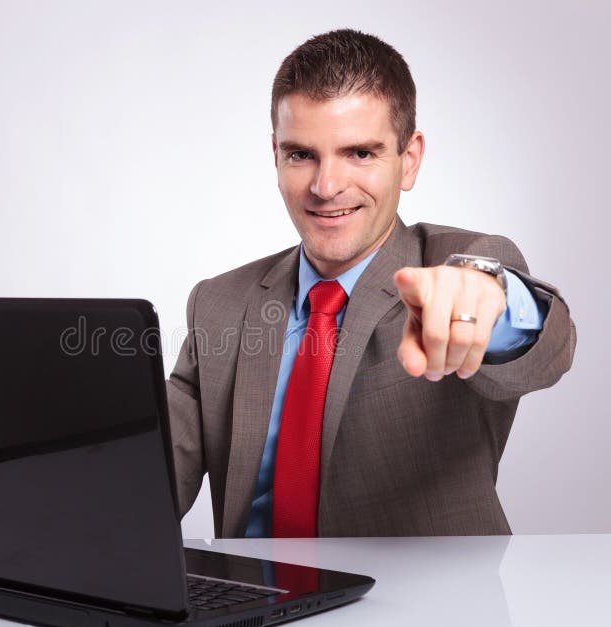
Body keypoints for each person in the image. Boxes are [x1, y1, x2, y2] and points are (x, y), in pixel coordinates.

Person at [166, 28, 576, 538]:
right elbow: (146, 483)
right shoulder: (218, 303)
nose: (326, 186)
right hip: (248, 609)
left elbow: (546, 350)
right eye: (302, 155)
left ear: (409, 159)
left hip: (427, 613)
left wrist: (493, 301)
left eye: (360, 153)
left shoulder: (458, 265)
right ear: (275, 156)